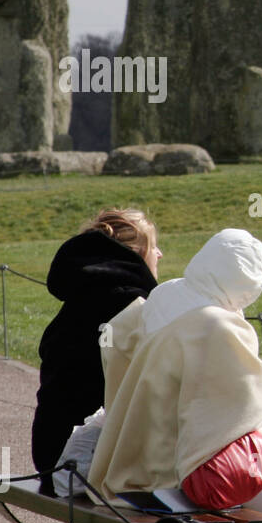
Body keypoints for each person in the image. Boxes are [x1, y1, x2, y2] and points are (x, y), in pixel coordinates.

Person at [88, 228, 262, 523]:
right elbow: (245, 408)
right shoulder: (218, 325)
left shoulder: (165, 295)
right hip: (186, 470)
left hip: (135, 457)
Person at [32, 209, 161, 496]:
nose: (160, 254)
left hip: (50, 456)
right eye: (154, 247)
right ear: (138, 252)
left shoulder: (78, 303)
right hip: (86, 463)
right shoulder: (132, 307)